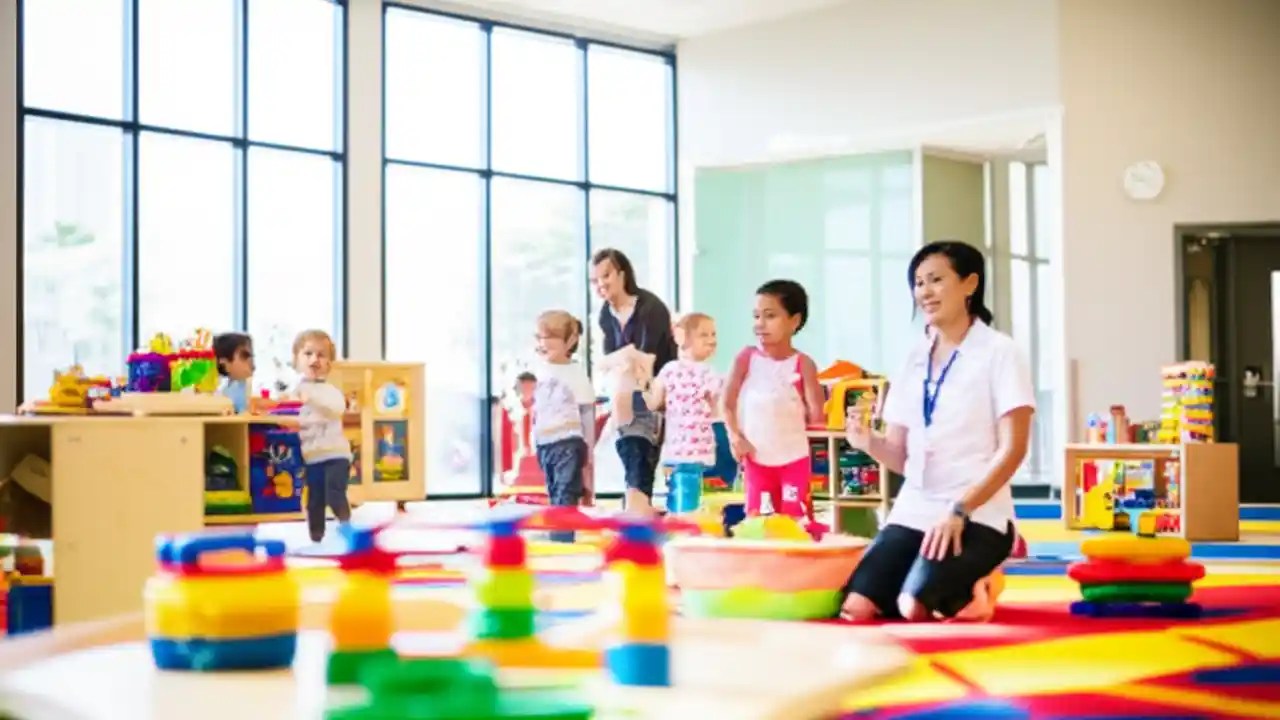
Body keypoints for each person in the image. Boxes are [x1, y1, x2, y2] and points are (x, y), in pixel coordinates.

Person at [840, 240, 1034, 623]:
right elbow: (899, 453)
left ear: (970, 284)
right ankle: (938, 579)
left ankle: (986, 581)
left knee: (914, 607)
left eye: (936, 280)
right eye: (918, 282)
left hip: (976, 512)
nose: (924, 292)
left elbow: (1013, 450)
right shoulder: (912, 356)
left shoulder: (1000, 352)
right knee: (856, 608)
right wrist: (869, 443)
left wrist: (960, 509)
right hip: (916, 507)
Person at [722, 280, 825, 519]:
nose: (760, 324)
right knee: (758, 521)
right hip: (757, 460)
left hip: (794, 460)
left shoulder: (804, 364)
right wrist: (734, 436)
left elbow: (817, 414)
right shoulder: (745, 359)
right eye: (756, 316)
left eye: (770, 316)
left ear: (794, 321)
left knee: (793, 520)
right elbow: (726, 403)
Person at [532, 310, 596, 542]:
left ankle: (562, 538)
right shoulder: (540, 370)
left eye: (549, 337)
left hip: (569, 441)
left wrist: (589, 449)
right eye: (538, 337)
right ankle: (558, 533)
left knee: (565, 490)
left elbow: (587, 411)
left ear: (570, 341)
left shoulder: (574, 372)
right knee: (554, 490)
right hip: (546, 442)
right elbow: (537, 409)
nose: (542, 343)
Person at [651, 313, 723, 510]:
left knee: (682, 484)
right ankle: (683, 525)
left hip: (686, 444)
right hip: (686, 444)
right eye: (704, 335)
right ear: (683, 338)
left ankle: (680, 523)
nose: (712, 340)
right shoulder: (679, 370)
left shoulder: (707, 372)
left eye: (713, 334)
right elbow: (718, 408)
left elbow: (655, 401)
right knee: (684, 486)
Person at [293, 329, 353, 543]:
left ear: (329, 364)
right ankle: (316, 538)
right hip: (312, 456)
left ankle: (347, 528)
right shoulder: (297, 390)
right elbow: (294, 417)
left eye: (321, 355)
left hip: (335, 454)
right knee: (315, 500)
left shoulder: (329, 390)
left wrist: (311, 399)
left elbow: (337, 408)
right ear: (297, 360)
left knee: (334, 494)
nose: (314, 360)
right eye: (308, 354)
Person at [591, 248, 677, 374]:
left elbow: (646, 359)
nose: (600, 284)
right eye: (594, 281)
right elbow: (608, 361)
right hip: (624, 385)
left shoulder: (651, 307)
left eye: (606, 276)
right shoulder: (605, 314)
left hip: (659, 383)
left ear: (622, 275)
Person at [213, 332, 254, 413]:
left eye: (251, 356)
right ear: (224, 362)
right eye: (244, 356)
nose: (250, 361)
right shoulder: (224, 395)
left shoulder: (250, 386)